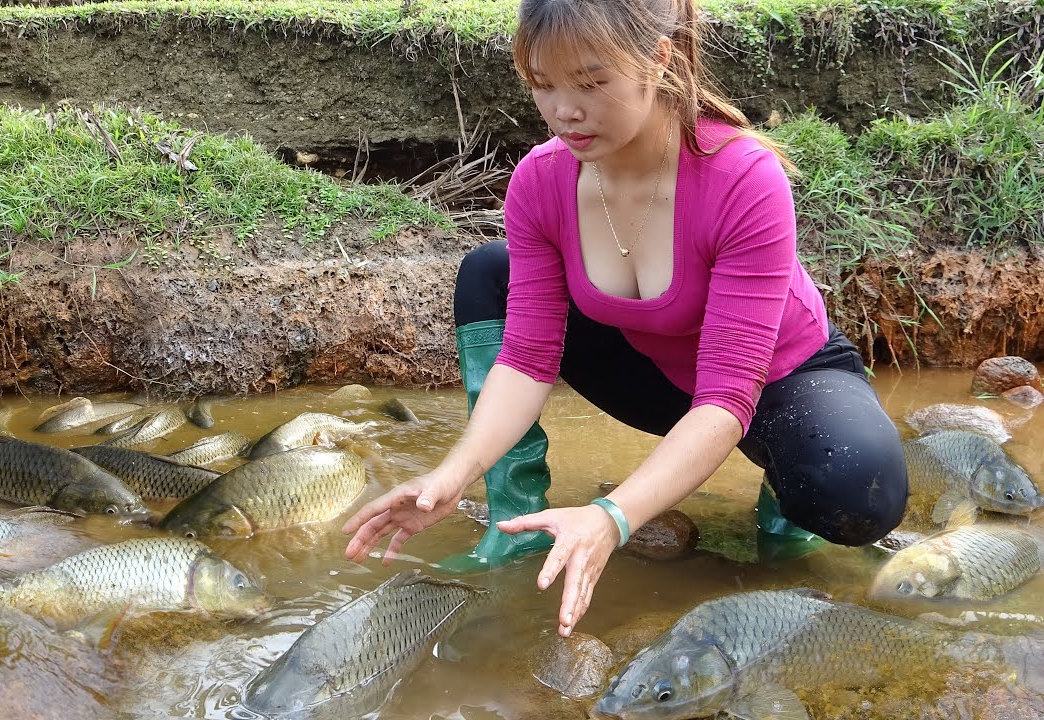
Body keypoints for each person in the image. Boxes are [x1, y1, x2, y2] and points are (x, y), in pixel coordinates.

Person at [343, 0, 908, 637]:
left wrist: (611, 517)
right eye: (543, 84)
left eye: (590, 83)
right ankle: (514, 524)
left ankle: (785, 493)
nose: (564, 111)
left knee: (859, 492)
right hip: (658, 372)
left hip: (777, 382)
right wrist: (452, 473)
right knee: (487, 272)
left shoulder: (743, 177)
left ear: (658, 59)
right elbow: (527, 359)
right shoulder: (540, 182)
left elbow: (728, 394)